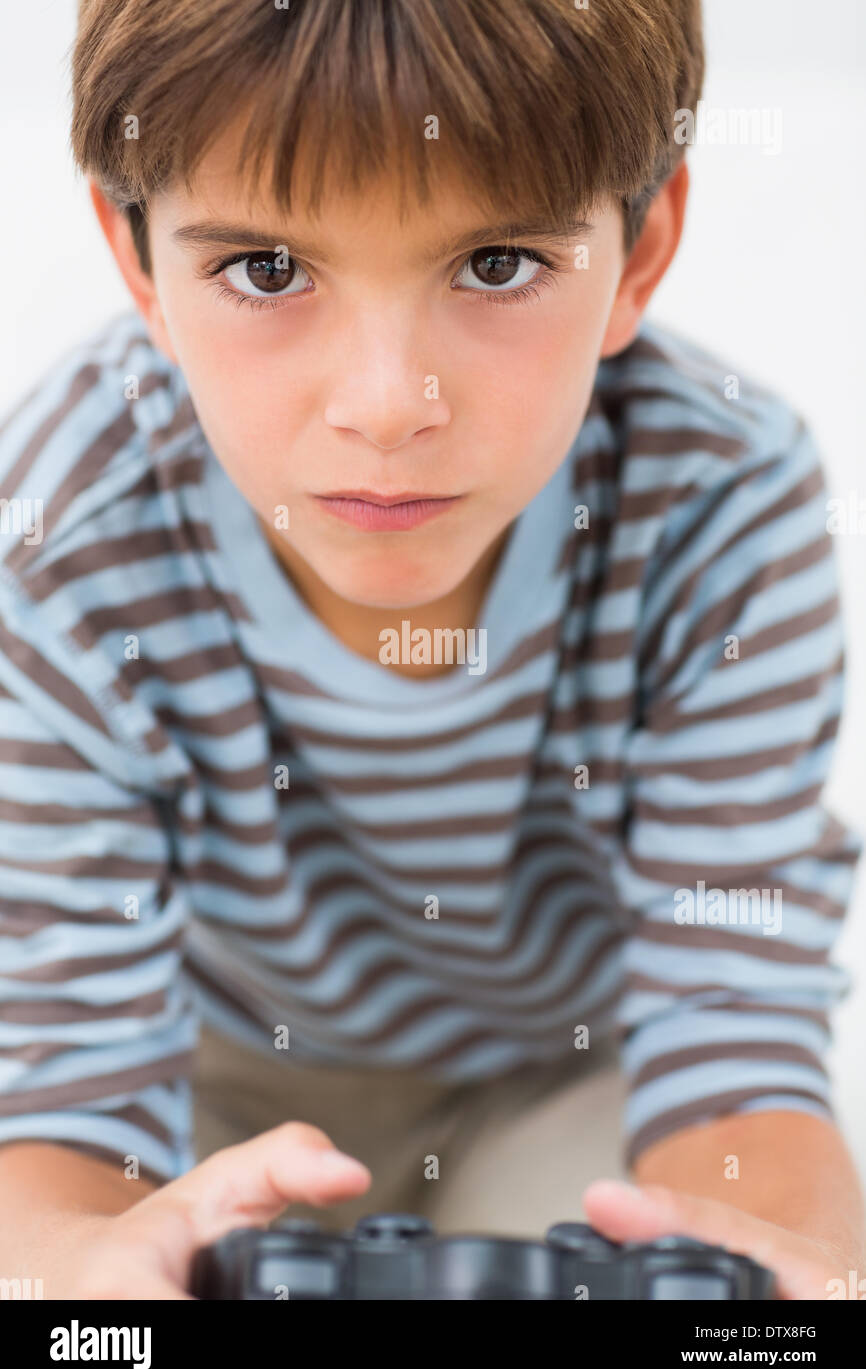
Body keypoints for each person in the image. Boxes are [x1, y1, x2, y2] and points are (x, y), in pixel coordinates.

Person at [0, 0, 863, 1300]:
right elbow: (65, 1080)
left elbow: (729, 1021)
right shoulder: (59, 537)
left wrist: (780, 1280)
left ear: (638, 252)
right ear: (138, 264)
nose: (387, 407)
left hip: (557, 1077)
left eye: (499, 263)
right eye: (269, 270)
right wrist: (83, 1269)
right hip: (210, 1078)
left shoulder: (717, 504)